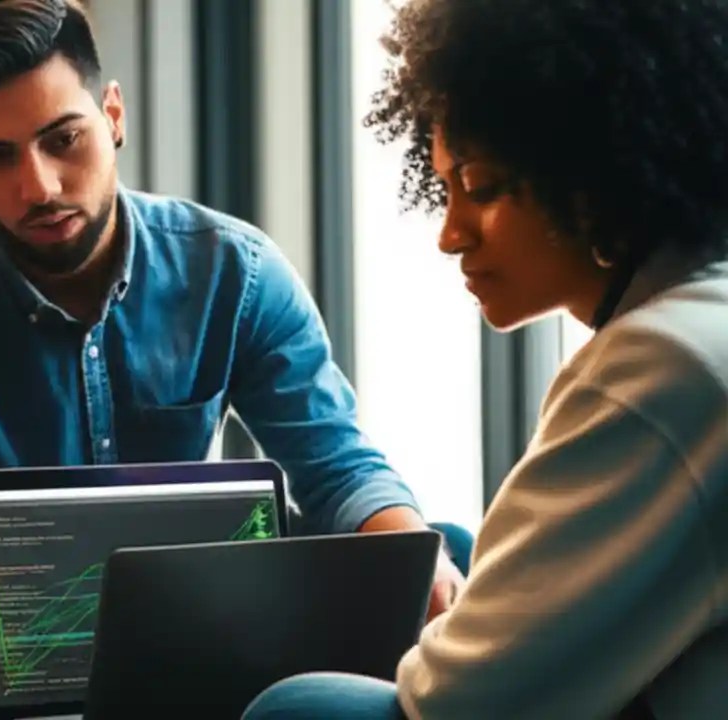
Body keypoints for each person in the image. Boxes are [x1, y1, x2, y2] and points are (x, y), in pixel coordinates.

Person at [0, 0, 465, 709]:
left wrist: (411, 556)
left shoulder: (232, 272)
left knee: (434, 543)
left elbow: (335, 465)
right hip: (9, 651)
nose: (40, 187)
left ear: (112, 116)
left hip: (201, 629)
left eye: (64, 139)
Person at [243, 0, 728, 718]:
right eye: (442, 188)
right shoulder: (702, 314)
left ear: (593, 175)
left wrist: (431, 648)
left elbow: (457, 701)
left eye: (479, 187)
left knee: (303, 707)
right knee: (455, 548)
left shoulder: (659, 369)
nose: (449, 235)